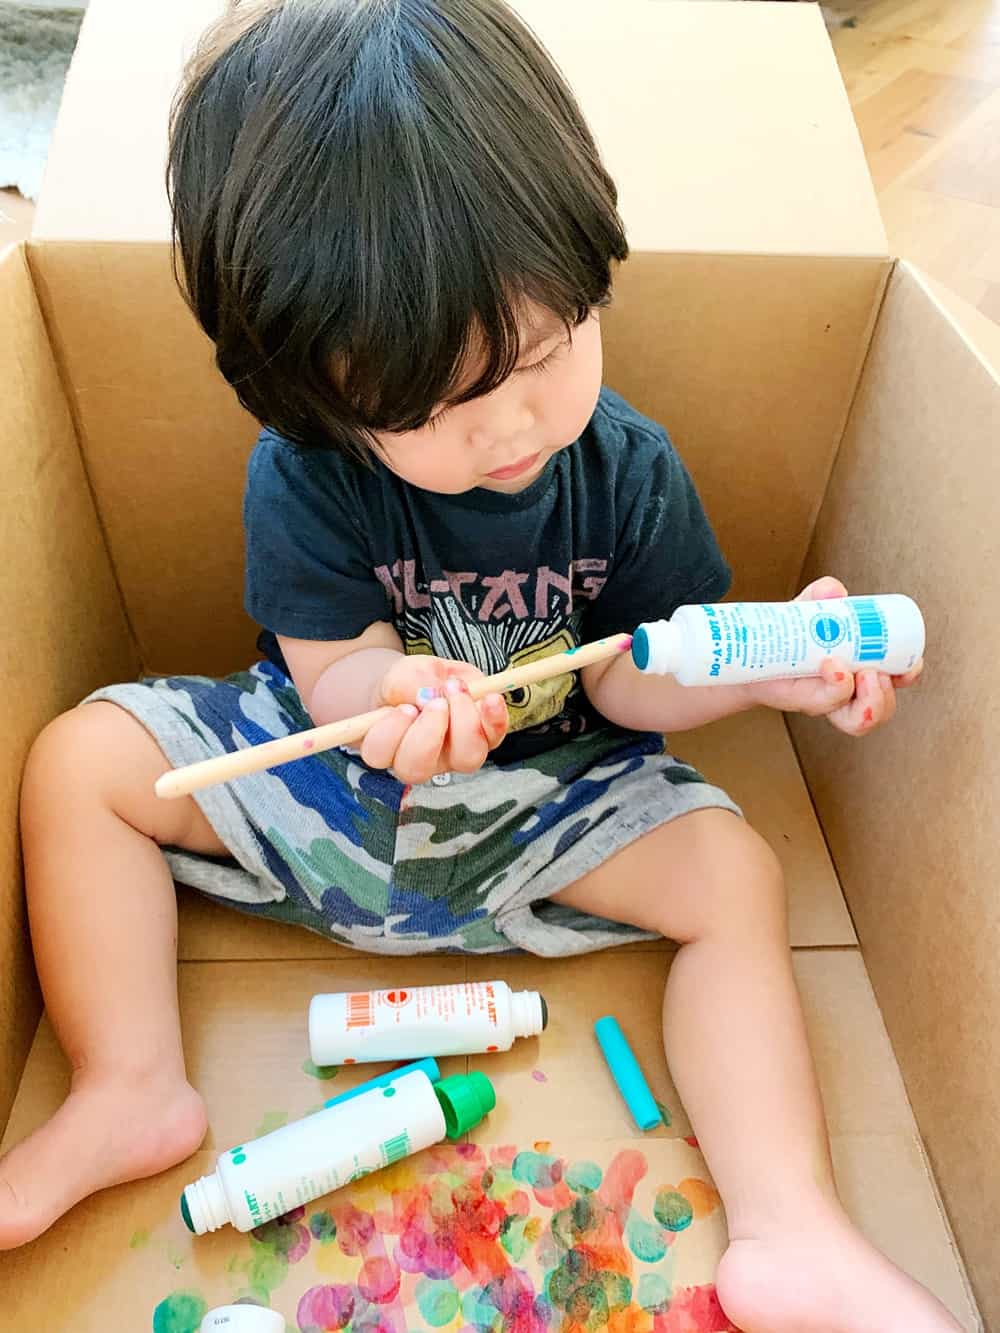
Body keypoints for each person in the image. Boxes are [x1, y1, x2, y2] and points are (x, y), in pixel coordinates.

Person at [2, 4, 956, 1331]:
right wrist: (380, 699)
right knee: (78, 759)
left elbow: (634, 683)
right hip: (338, 792)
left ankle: (792, 1224)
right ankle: (128, 1082)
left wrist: (757, 676)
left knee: (736, 875)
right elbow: (326, 671)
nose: (514, 422)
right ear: (316, 396)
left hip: (543, 804)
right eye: (441, 408)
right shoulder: (305, 476)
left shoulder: (625, 472)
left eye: (551, 352)